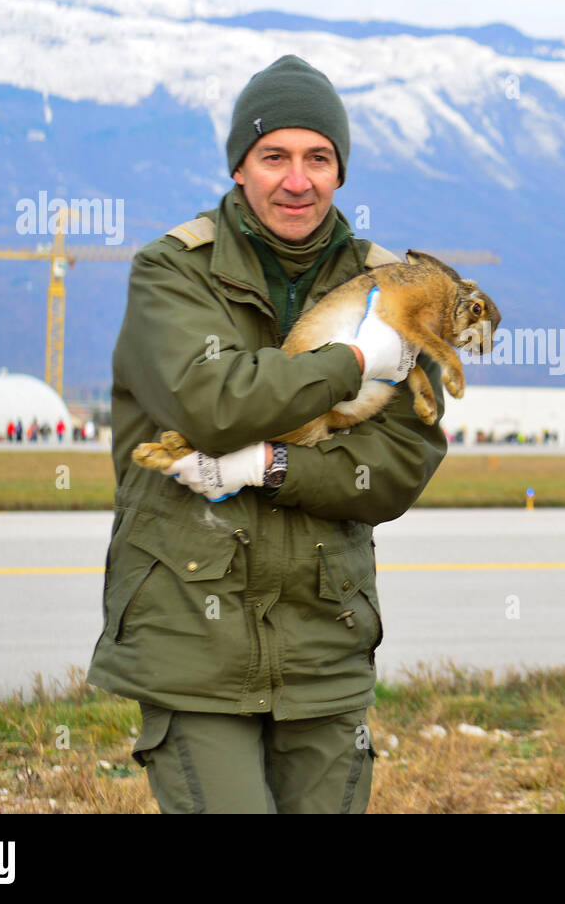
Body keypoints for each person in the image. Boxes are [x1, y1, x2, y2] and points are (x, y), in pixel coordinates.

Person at [86, 54, 448, 814]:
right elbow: (210, 404)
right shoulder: (171, 273)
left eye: (318, 158)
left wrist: (272, 465)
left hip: (324, 640)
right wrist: (350, 362)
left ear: (340, 172)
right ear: (239, 168)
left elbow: (401, 461)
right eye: (274, 156)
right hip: (191, 635)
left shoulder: (395, 285)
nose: (297, 179)